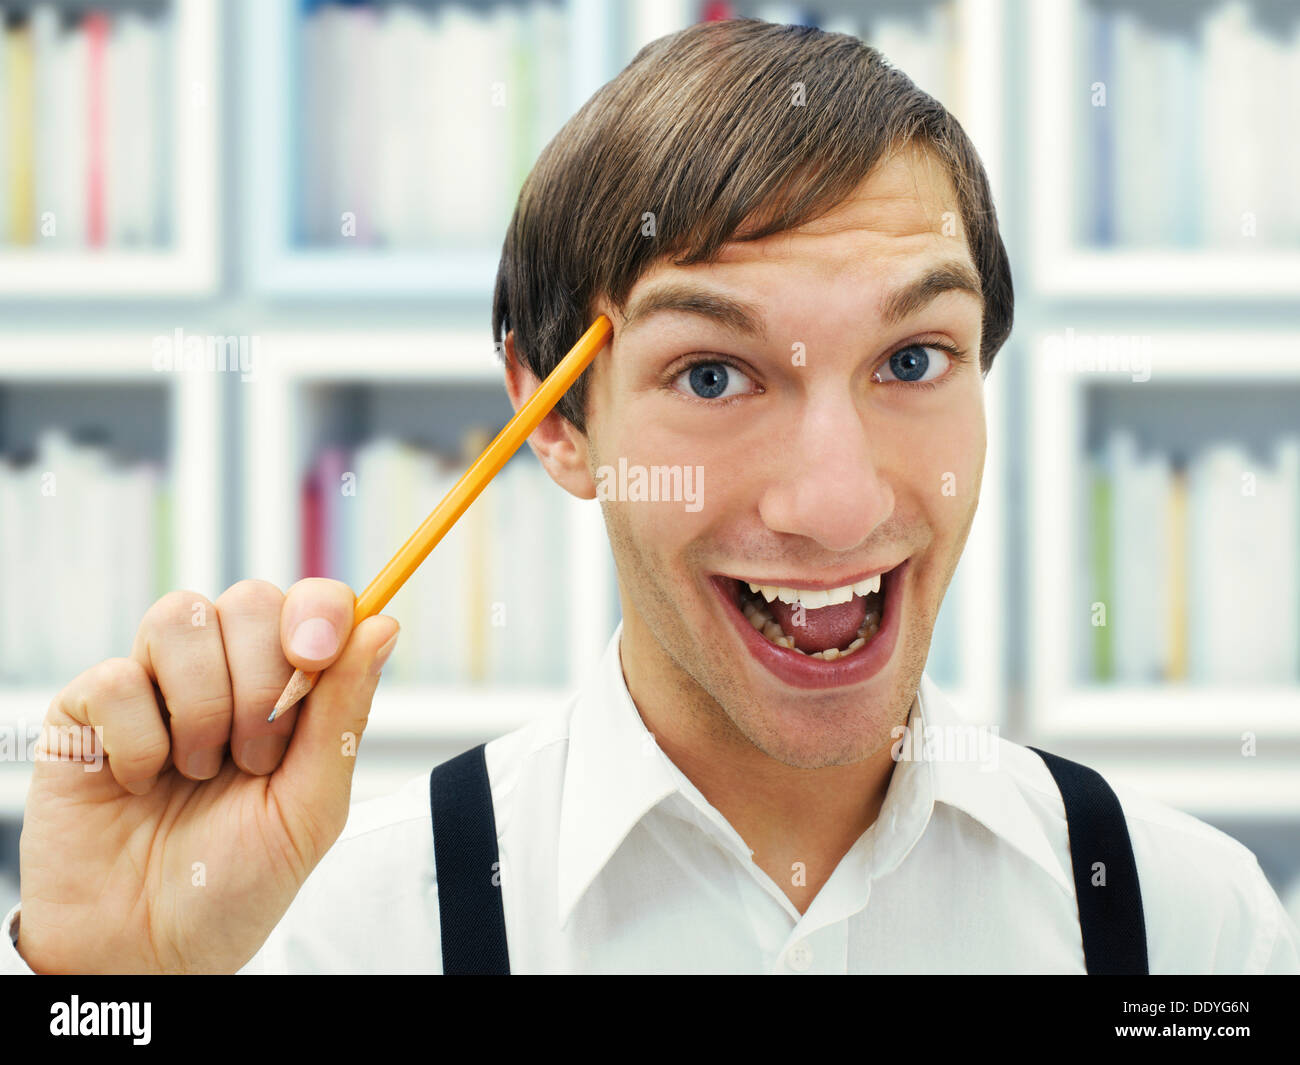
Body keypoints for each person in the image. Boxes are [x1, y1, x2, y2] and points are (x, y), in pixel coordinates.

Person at [6, 18, 1297, 975]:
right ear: (555, 418)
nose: (836, 505)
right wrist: (100, 992)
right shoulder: (344, 932)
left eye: (913, 359)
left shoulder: (1186, 925)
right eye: (716, 370)